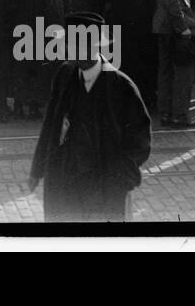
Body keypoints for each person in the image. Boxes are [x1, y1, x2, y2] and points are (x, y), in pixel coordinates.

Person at [27, 12, 152, 222]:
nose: (67, 50)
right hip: (65, 186)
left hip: (103, 192)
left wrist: (119, 180)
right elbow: (51, 126)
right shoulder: (65, 75)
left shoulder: (121, 87)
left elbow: (140, 143)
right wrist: (37, 169)